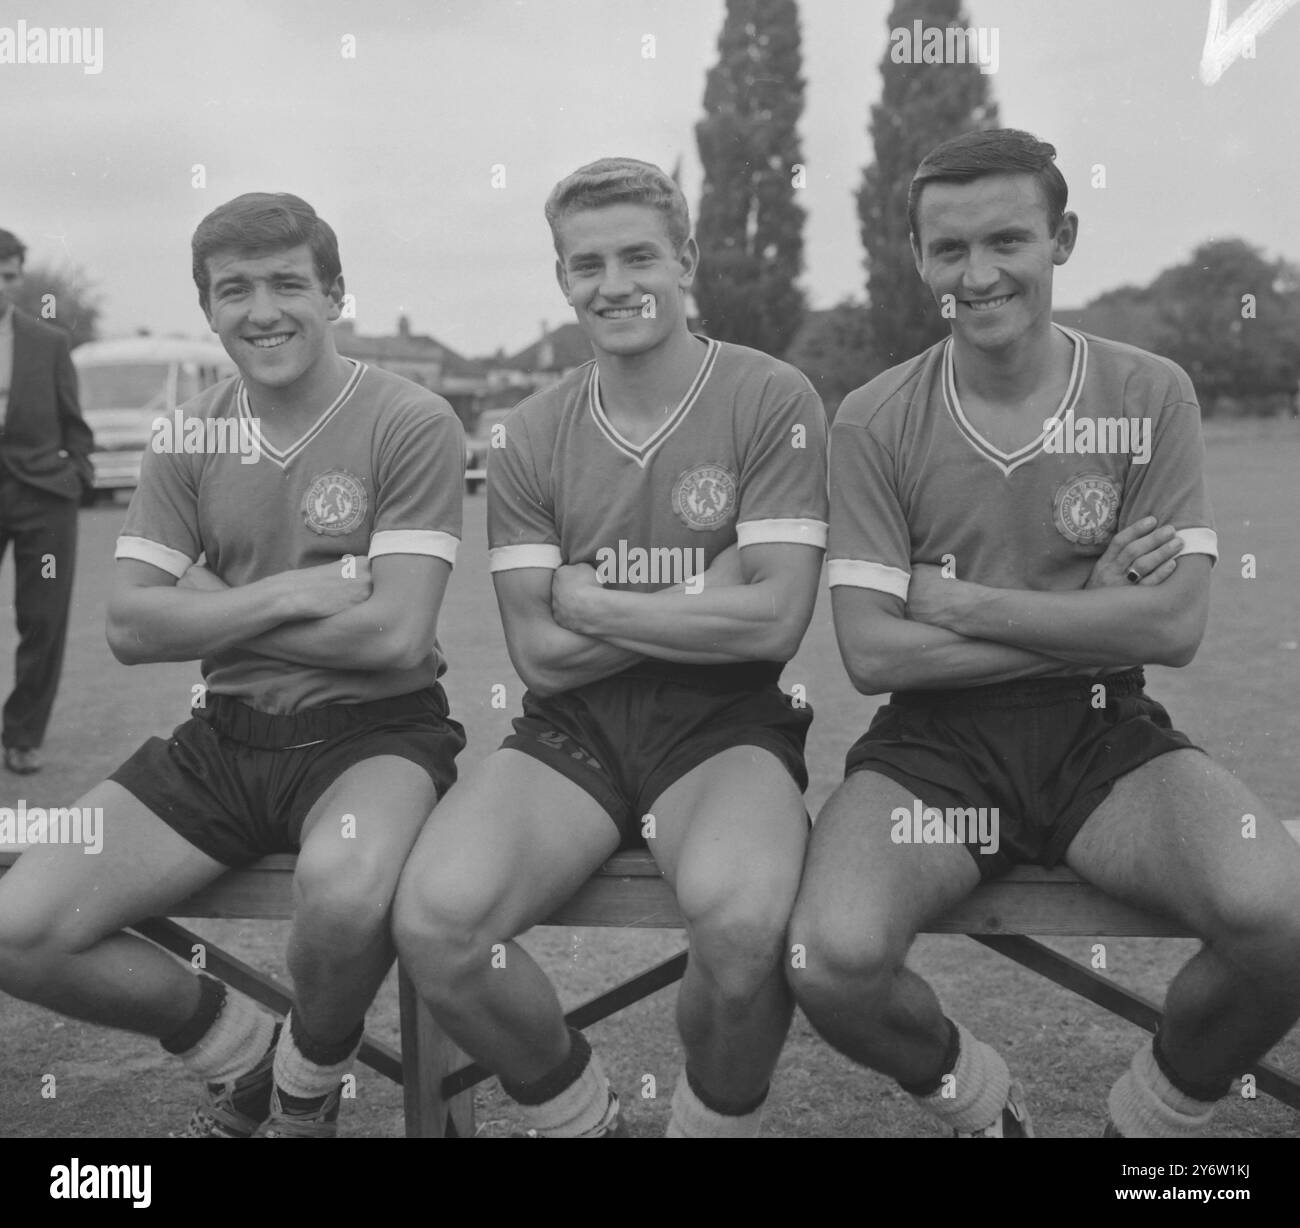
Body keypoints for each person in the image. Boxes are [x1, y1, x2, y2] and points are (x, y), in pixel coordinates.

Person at [789, 129, 1300, 1138]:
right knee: (828, 957)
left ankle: (1142, 1126)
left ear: (1061, 237)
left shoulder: (1148, 392)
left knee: (1278, 919)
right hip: (932, 747)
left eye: (1007, 240)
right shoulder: (874, 417)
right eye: (948, 251)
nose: (977, 275)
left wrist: (963, 603)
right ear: (919, 261)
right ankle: (984, 1108)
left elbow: (1173, 624)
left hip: (1102, 730)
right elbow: (874, 653)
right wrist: (1090, 617)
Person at [0, 193, 466, 1138]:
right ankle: (238, 1047)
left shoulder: (411, 418)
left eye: (289, 283)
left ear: (335, 293)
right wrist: (292, 594)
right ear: (207, 306)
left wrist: (206, 605)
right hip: (225, 734)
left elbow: (395, 638)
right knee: (19, 927)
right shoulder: (189, 433)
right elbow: (130, 627)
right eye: (234, 290)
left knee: (340, 889)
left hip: (374, 735)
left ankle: (305, 1091)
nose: (263, 310)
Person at [393, 158, 827, 1138]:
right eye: (586, 263)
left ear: (684, 260)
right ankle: (581, 1116)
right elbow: (541, 656)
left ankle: (706, 1127)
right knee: (436, 923)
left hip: (725, 727)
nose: (613, 282)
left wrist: (597, 598)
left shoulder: (770, 396)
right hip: (572, 729)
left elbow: (774, 622)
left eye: (638, 254)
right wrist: (701, 594)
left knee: (744, 920)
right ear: (561, 279)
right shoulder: (527, 433)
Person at [0, 229, 95, 775]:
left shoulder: (48, 341)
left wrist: (75, 476)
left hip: (43, 494)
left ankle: (23, 735)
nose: (5, 288)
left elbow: (75, 426)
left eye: (11, 276)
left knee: (44, 620)